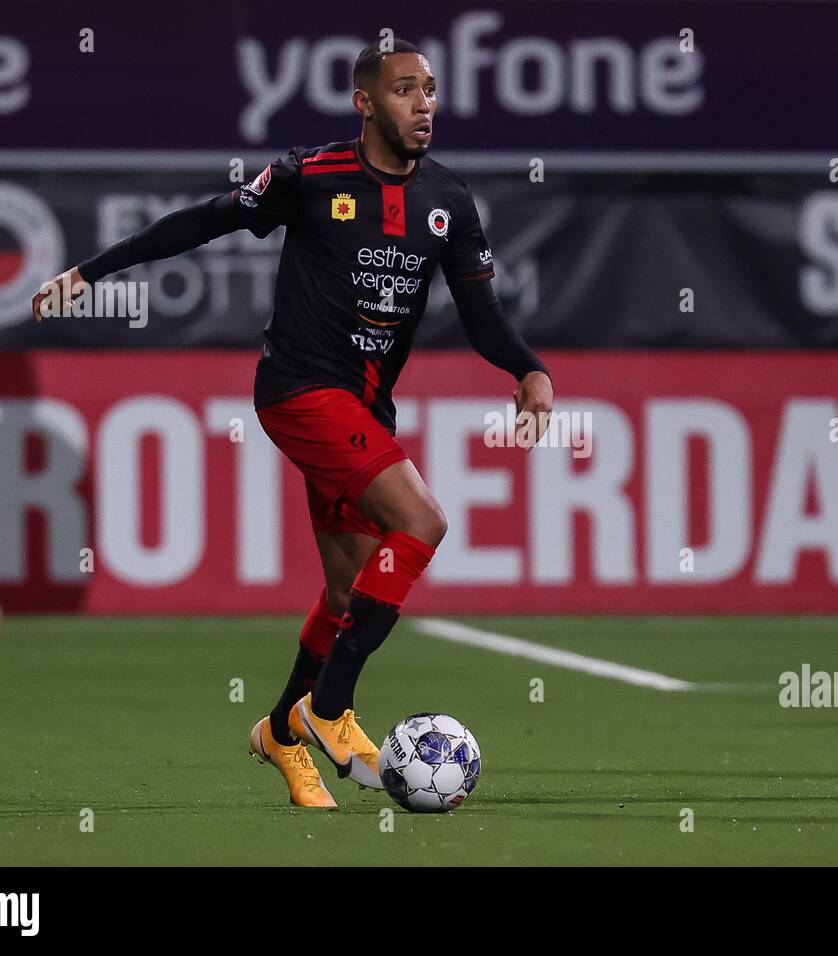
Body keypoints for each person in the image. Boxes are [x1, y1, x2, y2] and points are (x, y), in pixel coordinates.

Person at [33, 40, 553, 808]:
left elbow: (480, 314)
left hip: (365, 407)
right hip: (300, 390)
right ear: (366, 102)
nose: (424, 105)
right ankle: (331, 707)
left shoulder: (450, 200)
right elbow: (205, 220)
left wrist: (527, 368)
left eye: (433, 91)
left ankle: (281, 732)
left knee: (347, 595)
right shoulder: (312, 176)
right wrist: (91, 272)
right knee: (423, 520)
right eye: (406, 90)